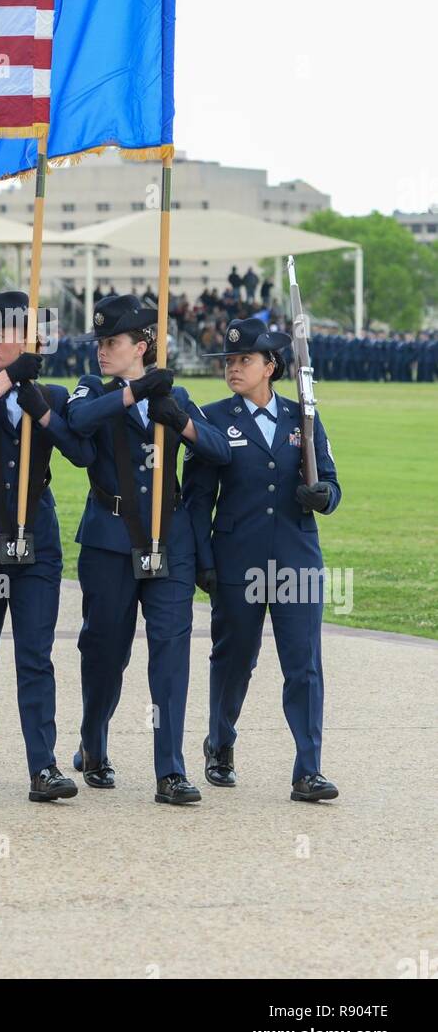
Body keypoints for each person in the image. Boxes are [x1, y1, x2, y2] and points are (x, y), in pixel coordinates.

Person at [66, 295, 231, 803]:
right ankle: (93, 740)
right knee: (104, 652)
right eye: (99, 342)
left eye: (112, 342)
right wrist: (135, 392)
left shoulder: (173, 392)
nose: (102, 351)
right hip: (110, 542)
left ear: (141, 345)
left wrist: (177, 419)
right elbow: (78, 422)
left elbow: (219, 448)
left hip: (170, 540)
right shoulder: (93, 388)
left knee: (171, 654)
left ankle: (171, 769)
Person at [0, 290, 93, 803]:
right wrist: (7, 378)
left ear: (30, 338)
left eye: (2, 332)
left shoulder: (49, 394)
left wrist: (44, 414)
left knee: (35, 653)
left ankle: (43, 766)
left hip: (37, 537)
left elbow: (81, 453)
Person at [183, 316, 342, 802]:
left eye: (244, 360)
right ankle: (220, 743)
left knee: (304, 664)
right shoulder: (210, 419)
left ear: (270, 366)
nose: (233, 368)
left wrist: (323, 496)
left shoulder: (304, 417)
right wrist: (204, 562)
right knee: (235, 660)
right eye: (229, 361)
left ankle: (308, 769)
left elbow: (333, 484)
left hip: (296, 559)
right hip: (237, 562)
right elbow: (196, 500)